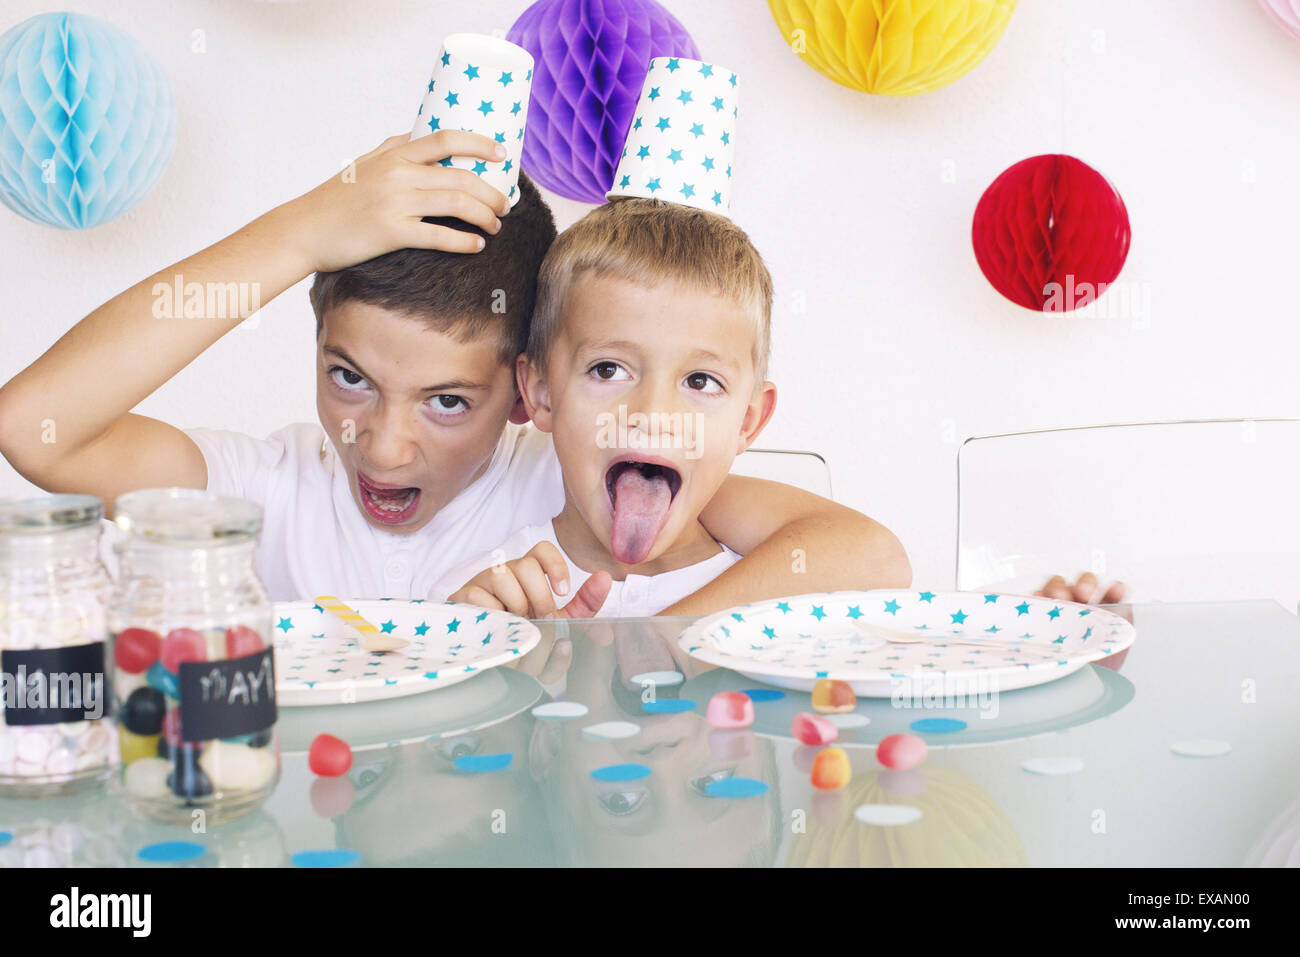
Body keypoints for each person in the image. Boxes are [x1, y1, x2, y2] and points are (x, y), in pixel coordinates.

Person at [0, 131, 911, 608]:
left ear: (529, 392)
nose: (385, 447)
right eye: (349, 378)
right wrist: (300, 234)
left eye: (446, 400)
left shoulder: (572, 477)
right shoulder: (270, 489)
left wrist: (641, 648)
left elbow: (859, 552)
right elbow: (35, 423)